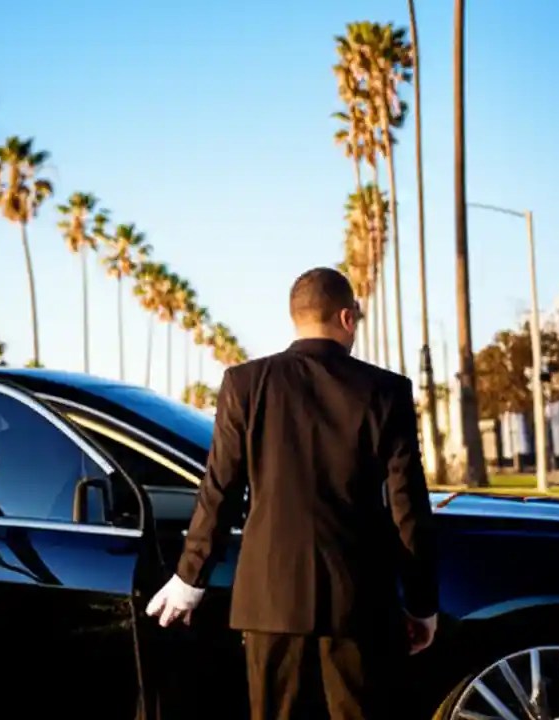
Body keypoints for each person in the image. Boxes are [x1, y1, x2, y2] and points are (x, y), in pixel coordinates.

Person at [146, 266, 438, 719]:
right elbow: (408, 507)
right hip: (358, 604)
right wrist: (422, 603)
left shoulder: (245, 384)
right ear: (347, 318)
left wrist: (189, 579)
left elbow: (219, 490)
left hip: (270, 602)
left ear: (294, 318)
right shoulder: (387, 391)